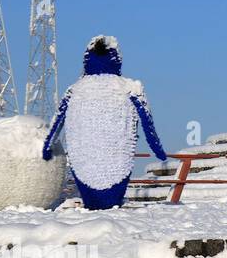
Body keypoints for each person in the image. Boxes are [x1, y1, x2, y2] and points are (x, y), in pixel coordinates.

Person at [42, 35, 167, 210]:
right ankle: (110, 204)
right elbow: (148, 123)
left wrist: (47, 148)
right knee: (111, 202)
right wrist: (158, 150)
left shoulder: (75, 90)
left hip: (83, 163)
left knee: (94, 202)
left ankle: (94, 204)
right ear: (116, 58)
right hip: (117, 163)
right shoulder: (129, 88)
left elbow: (56, 123)